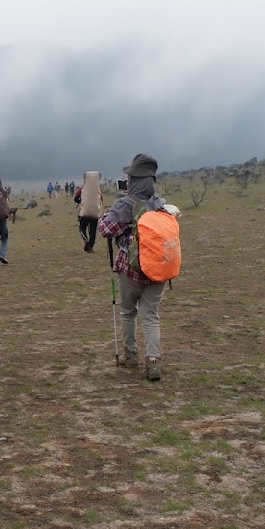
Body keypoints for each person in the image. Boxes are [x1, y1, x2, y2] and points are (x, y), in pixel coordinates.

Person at [98, 154, 171, 381]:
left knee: (128, 313)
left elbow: (106, 230)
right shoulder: (160, 204)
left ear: (133, 179)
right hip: (158, 268)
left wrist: (104, 216)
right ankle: (153, 361)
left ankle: (130, 357)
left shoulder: (125, 204)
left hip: (130, 269)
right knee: (151, 316)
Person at [77, 171, 105, 253]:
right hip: (95, 213)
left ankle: (86, 241)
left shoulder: (82, 189)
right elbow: (101, 200)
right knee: (93, 230)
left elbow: (76, 198)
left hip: (84, 212)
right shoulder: (98, 190)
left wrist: (82, 201)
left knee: (82, 228)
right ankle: (91, 247)